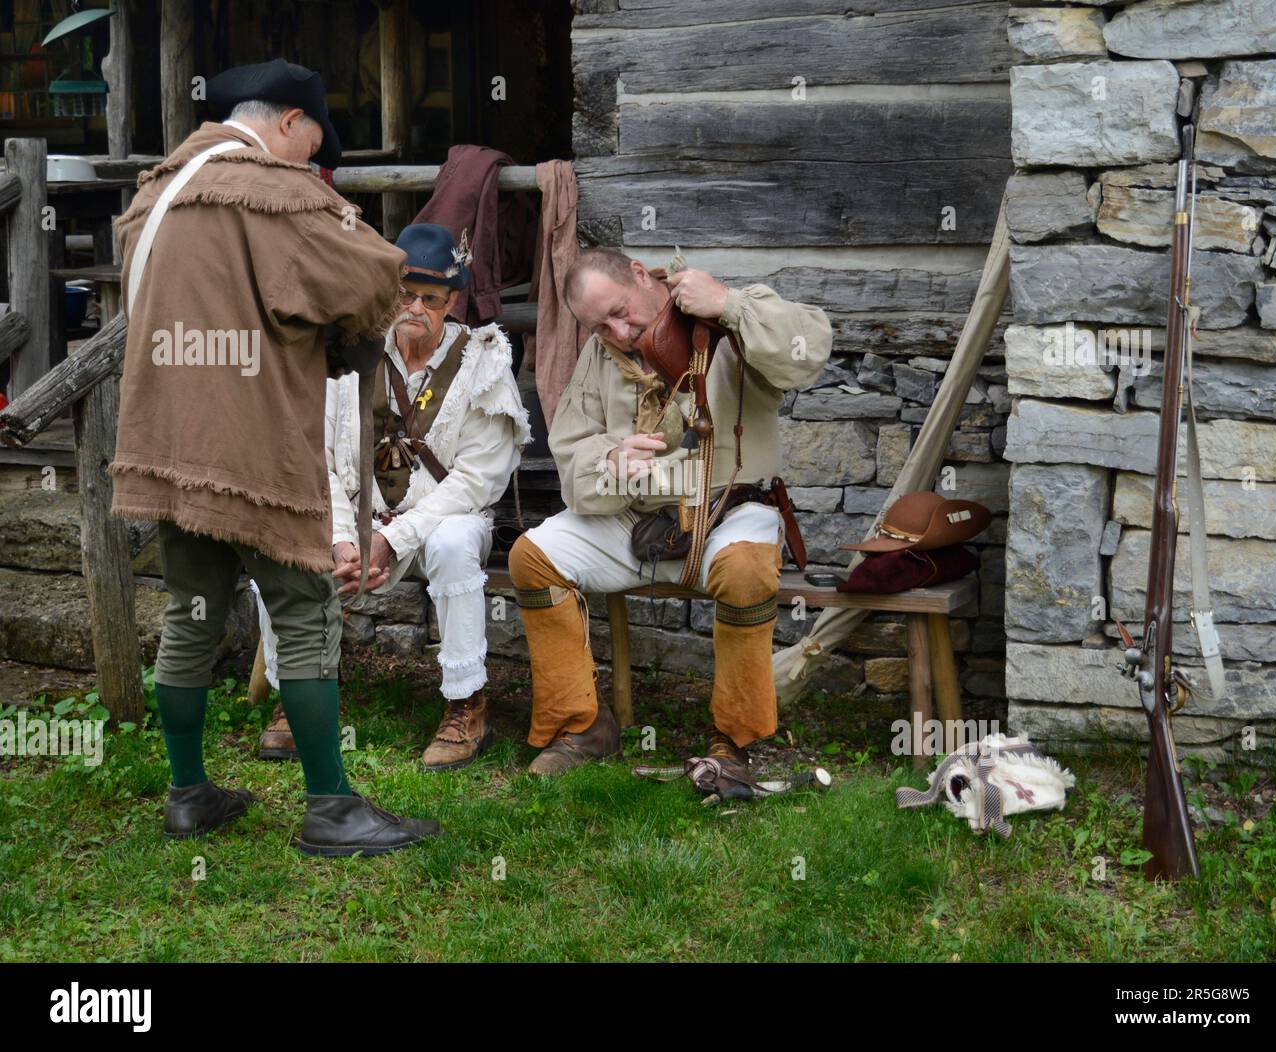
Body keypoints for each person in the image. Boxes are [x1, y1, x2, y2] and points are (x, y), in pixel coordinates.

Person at [110, 58, 441, 856]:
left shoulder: (153, 197)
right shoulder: (279, 191)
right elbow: (375, 275)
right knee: (304, 612)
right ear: (288, 121)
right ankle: (330, 807)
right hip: (253, 443)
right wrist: (338, 331)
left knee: (191, 615)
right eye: (313, 144)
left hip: (166, 446)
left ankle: (188, 794)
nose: (313, 164)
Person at [508, 248, 831, 776]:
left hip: (731, 510)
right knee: (533, 556)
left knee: (747, 570)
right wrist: (611, 459)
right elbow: (571, 455)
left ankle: (732, 740)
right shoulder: (599, 355)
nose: (617, 330)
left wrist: (730, 303)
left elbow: (811, 347)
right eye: (599, 325)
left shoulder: (722, 318)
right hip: (638, 521)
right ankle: (583, 726)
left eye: (619, 311)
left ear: (640, 274)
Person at [252, 222, 530, 772]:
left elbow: (478, 480)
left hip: (441, 519)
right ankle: (298, 698)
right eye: (405, 293)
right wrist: (339, 538)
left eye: (430, 298)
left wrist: (391, 537)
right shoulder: (351, 356)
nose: (415, 307)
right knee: (282, 542)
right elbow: (320, 456)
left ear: (452, 301)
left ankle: (465, 703)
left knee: (452, 544)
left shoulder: (484, 360)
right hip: (357, 515)